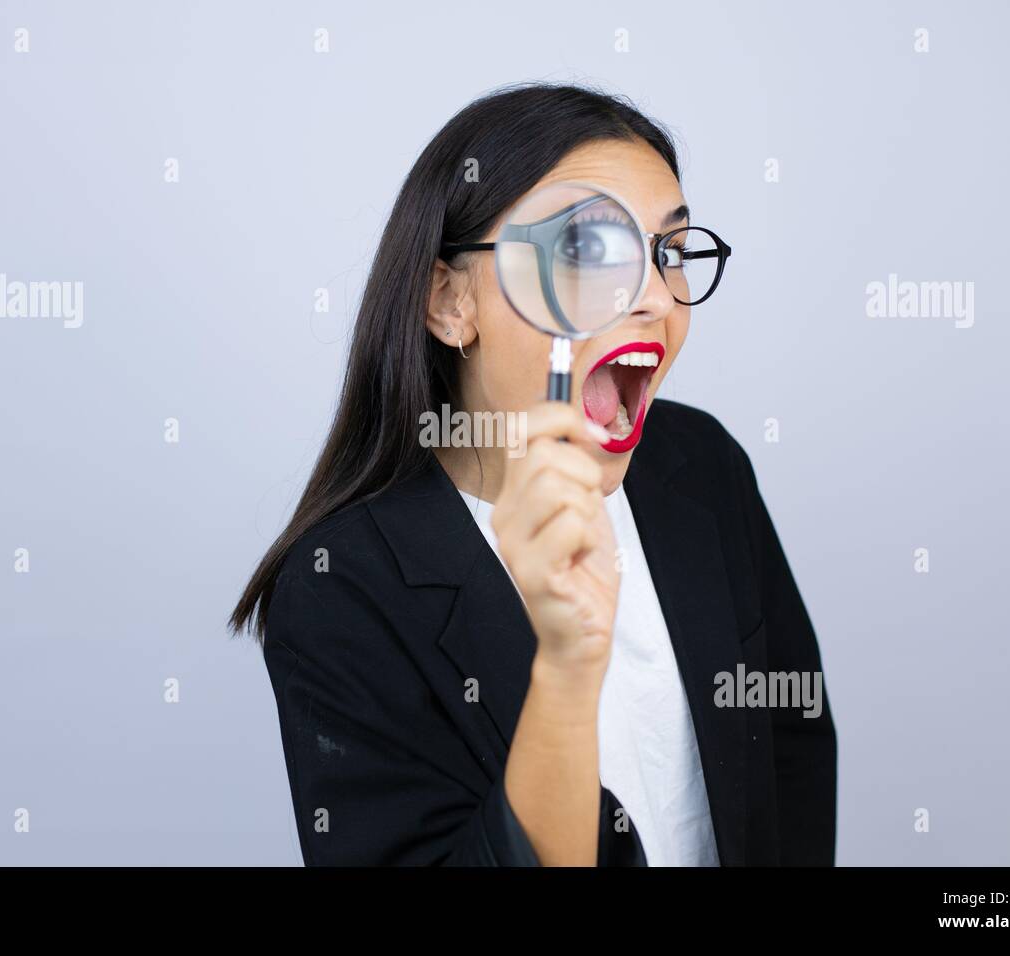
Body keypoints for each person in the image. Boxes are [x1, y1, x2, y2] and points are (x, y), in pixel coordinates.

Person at [231, 82, 836, 866]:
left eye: (671, 252)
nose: (655, 297)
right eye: (587, 253)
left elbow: (792, 747)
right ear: (450, 303)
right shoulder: (341, 586)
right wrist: (566, 670)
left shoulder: (702, 467)